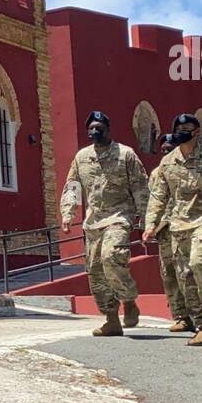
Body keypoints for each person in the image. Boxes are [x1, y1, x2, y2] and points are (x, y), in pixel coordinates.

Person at [143, 114, 202, 346]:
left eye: (187, 127)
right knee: (185, 277)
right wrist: (150, 225)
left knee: (199, 263)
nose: (181, 130)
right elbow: (158, 197)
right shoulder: (168, 162)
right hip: (178, 226)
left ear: (197, 132)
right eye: (178, 127)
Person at [60, 111, 149, 336]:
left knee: (112, 257)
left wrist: (147, 218)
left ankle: (128, 301)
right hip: (93, 223)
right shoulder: (81, 157)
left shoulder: (125, 154)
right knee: (96, 273)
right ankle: (111, 320)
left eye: (99, 127)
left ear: (108, 129)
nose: (94, 132)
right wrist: (68, 213)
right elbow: (73, 185)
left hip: (119, 217)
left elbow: (140, 186)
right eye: (91, 128)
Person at [149, 134, 192, 332]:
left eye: (170, 148)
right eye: (163, 149)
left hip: (186, 227)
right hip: (164, 231)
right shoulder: (156, 173)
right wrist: (150, 226)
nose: (166, 152)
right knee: (169, 274)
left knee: (191, 271)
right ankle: (181, 316)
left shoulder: (189, 169)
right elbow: (153, 202)